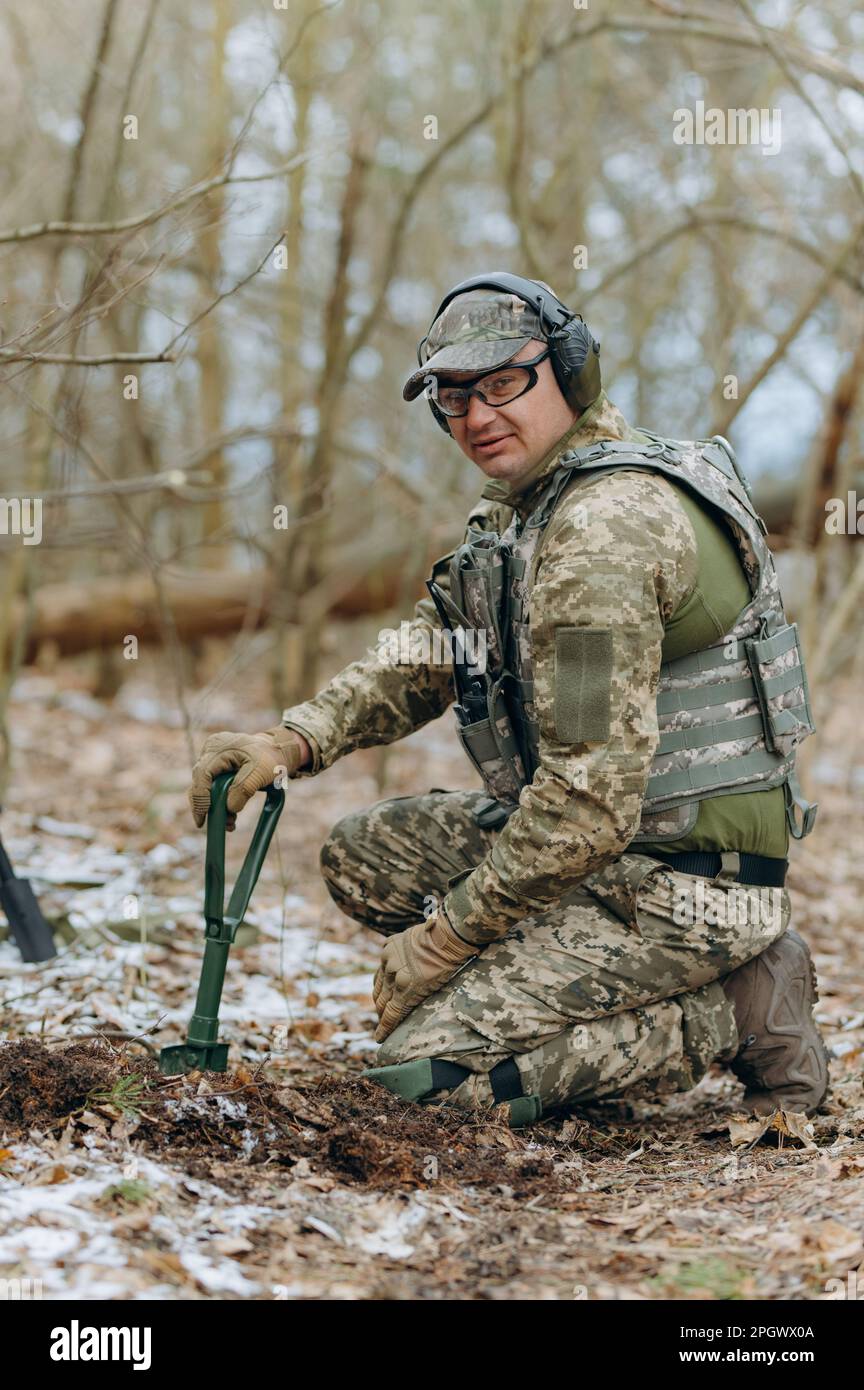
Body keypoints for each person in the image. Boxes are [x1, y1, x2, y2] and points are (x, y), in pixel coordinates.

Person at [187, 272, 829, 1128]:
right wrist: (295, 739)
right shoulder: (525, 514)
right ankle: (594, 975)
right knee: (362, 857)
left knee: (425, 1078)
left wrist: (448, 938)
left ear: (569, 373)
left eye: (502, 384)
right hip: (614, 857)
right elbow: (431, 650)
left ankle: (736, 1005)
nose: (478, 417)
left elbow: (586, 803)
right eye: (454, 398)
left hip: (688, 885)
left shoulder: (603, 534)